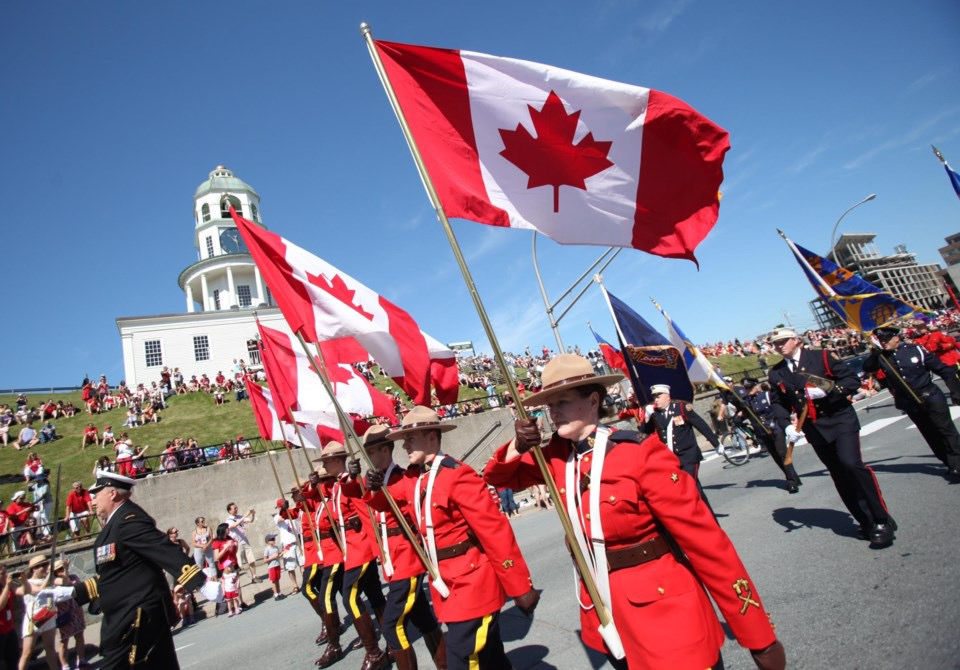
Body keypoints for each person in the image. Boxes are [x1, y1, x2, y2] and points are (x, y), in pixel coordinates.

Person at [485, 354, 785, 670]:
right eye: (549, 406)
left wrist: (758, 636)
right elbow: (498, 478)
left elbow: (708, 545)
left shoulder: (640, 454)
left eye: (561, 401)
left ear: (592, 401)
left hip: (665, 613)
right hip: (608, 613)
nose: (553, 412)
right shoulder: (558, 459)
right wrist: (518, 446)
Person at [366, 406, 539, 670]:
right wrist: (373, 485)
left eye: (410, 438)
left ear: (432, 437)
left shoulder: (457, 475)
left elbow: (494, 532)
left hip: (472, 585)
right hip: (446, 583)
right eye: (405, 440)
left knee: (462, 659)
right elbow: (384, 502)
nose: (405, 446)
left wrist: (520, 587)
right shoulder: (415, 477)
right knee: (491, 659)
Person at [767, 327, 896, 548]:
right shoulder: (777, 372)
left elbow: (851, 380)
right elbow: (779, 402)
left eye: (784, 341)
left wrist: (830, 390)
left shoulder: (822, 357)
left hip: (839, 418)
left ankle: (881, 519)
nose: (780, 346)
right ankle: (865, 521)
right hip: (815, 428)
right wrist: (786, 424)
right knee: (839, 474)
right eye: (776, 343)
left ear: (797, 340)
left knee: (852, 465)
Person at [70, 470, 206, 668]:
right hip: (125, 614)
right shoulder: (116, 523)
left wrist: (199, 581)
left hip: (136, 617)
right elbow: (115, 573)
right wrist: (73, 593)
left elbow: (162, 548)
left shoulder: (128, 520)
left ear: (112, 493)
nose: (93, 500)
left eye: (96, 494)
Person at [345, 425, 446, 670]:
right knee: (424, 620)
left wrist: (374, 487)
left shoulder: (404, 476)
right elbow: (353, 493)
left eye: (371, 451)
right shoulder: (376, 479)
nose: (368, 456)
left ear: (386, 449)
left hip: (408, 558)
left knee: (391, 626)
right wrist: (353, 476)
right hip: (393, 559)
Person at [314, 441, 389, 670]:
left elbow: (362, 493)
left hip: (361, 546)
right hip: (351, 547)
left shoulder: (350, 480)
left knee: (349, 597)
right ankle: (393, 645)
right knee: (375, 595)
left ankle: (374, 653)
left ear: (337, 461)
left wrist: (356, 477)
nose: (324, 465)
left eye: (327, 461)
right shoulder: (337, 485)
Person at [863, 326, 960, 479]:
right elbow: (868, 368)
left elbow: (943, 370)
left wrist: (955, 391)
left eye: (886, 340)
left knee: (945, 429)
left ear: (896, 338)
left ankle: (957, 464)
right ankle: (948, 461)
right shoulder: (882, 358)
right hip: (909, 401)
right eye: (881, 341)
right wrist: (875, 354)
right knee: (930, 434)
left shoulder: (915, 350)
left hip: (930, 395)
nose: (884, 343)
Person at [642, 384, 719, 510]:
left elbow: (701, 425)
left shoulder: (681, 408)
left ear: (667, 396)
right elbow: (644, 433)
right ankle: (705, 514)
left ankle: (701, 514)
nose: (656, 400)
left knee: (690, 486)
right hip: (672, 460)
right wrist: (647, 417)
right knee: (692, 488)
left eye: (658, 396)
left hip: (689, 456)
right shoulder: (656, 415)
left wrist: (716, 443)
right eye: (654, 397)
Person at [742, 378, 803, 493]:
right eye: (746, 389)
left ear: (756, 386)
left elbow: (776, 410)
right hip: (762, 431)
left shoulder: (767, 395)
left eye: (750, 388)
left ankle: (791, 481)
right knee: (776, 456)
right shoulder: (747, 401)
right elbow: (745, 414)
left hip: (775, 428)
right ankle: (793, 476)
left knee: (782, 454)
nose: (748, 391)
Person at [16, 555, 59, 670]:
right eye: (42, 566)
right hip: (34, 618)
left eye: (46, 565)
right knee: (27, 652)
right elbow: (38, 591)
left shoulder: (49, 580)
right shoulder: (27, 582)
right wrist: (49, 575)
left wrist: (64, 568)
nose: (45, 568)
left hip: (48, 614)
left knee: (50, 648)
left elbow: (64, 582)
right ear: (34, 569)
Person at [53, 558, 88, 669]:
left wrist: (66, 570)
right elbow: (65, 582)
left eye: (63, 568)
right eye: (59, 569)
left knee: (79, 636)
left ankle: (81, 660)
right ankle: (65, 666)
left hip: (76, 611)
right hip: (63, 614)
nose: (62, 571)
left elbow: (77, 587)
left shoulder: (74, 577)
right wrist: (65, 571)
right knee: (64, 641)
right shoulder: (55, 581)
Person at [225, 502, 258, 585]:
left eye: (236, 508)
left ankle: (254, 577)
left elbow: (251, 520)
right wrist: (245, 516)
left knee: (251, 560)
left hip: (244, 541)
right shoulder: (228, 520)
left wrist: (252, 514)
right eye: (234, 508)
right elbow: (234, 525)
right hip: (237, 544)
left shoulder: (239, 517)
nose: (236, 509)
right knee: (238, 564)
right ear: (229, 511)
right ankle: (236, 582)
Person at [0, 564, 18, 670]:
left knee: (13, 661)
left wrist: (23, 580)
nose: (6, 576)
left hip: (10, 630)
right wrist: (7, 586)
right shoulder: (6, 586)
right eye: (2, 574)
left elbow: (24, 591)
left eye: (6, 573)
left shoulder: (7, 586)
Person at [263, 534, 283, 600]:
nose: (274, 540)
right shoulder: (267, 549)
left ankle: (279, 592)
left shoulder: (276, 547)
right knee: (274, 581)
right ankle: (275, 594)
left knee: (277, 580)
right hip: (272, 567)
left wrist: (281, 554)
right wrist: (272, 558)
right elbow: (265, 560)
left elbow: (278, 555)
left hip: (277, 565)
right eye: (272, 539)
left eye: (274, 539)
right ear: (268, 541)